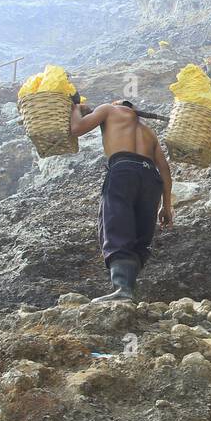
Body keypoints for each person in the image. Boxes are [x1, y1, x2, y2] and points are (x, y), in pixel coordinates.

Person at [69, 96, 174, 302]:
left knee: (116, 227)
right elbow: (165, 170)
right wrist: (166, 206)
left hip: (123, 170)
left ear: (118, 105)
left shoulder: (108, 109)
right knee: (139, 238)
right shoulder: (148, 131)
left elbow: (77, 129)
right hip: (150, 178)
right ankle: (127, 291)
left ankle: (122, 289)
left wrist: (75, 108)